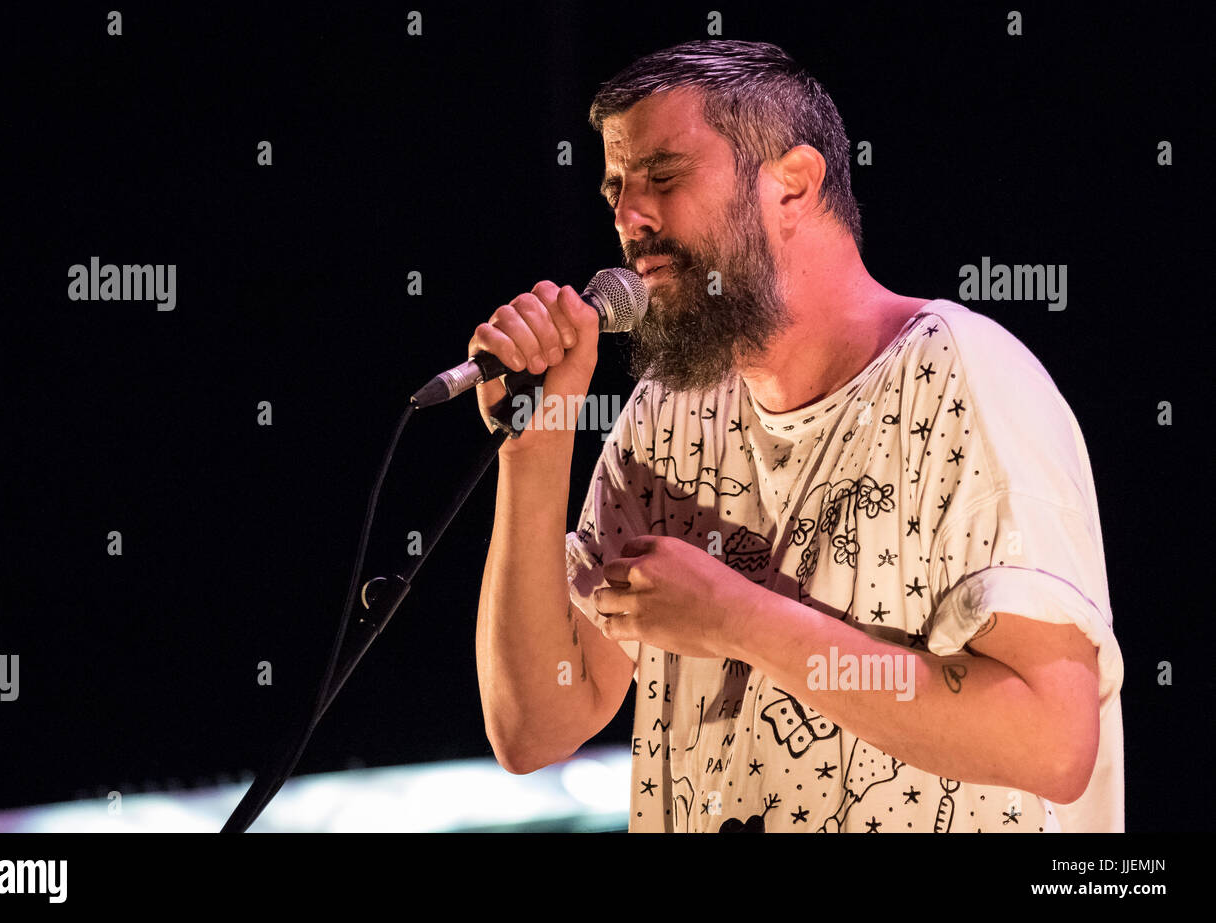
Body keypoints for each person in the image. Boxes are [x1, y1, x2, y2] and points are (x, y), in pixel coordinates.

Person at [471, 39, 1123, 832]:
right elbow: (536, 724)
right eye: (615, 188)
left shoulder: (966, 379)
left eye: (663, 177)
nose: (627, 217)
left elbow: (1051, 740)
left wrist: (738, 619)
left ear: (794, 184)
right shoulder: (667, 410)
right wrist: (535, 445)